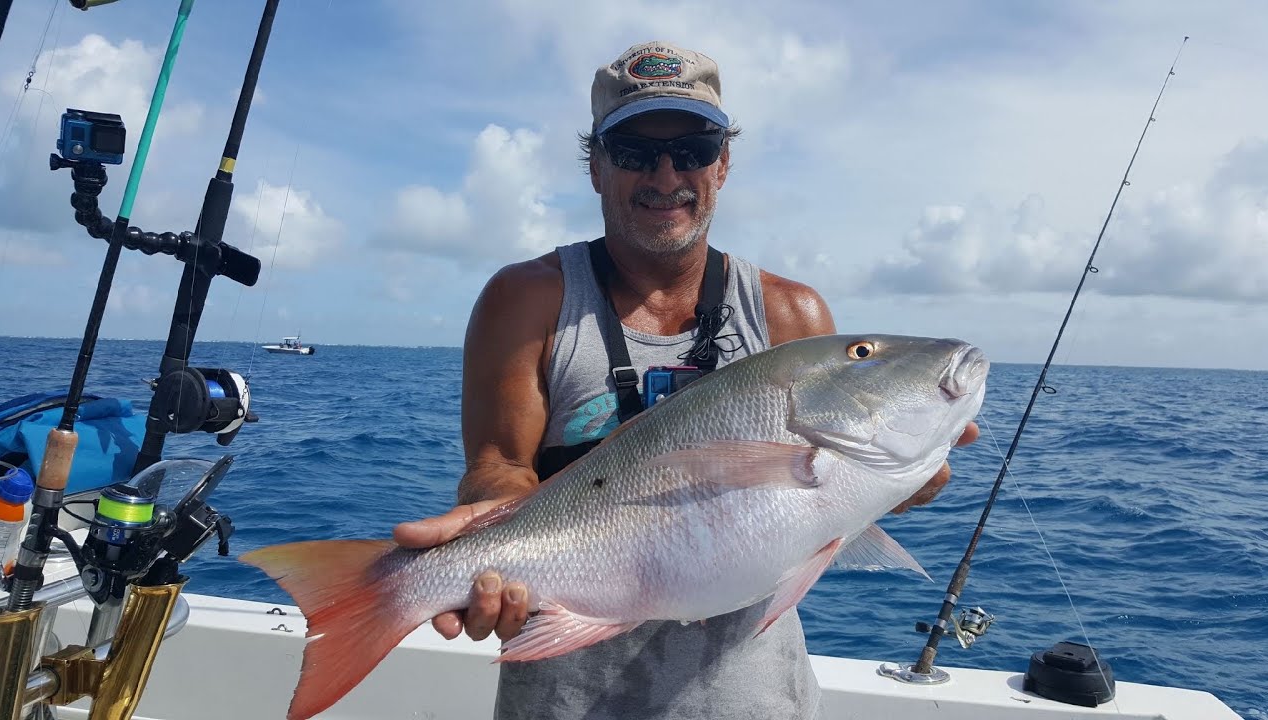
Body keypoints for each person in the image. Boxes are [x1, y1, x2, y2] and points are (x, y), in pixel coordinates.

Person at [394, 40, 979, 719]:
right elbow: (499, 463)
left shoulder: (792, 313)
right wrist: (498, 546)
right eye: (635, 152)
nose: (666, 173)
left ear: (723, 164)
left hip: (751, 698)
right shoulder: (527, 300)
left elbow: (814, 515)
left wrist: (886, 489)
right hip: (563, 698)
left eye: (694, 149)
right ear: (596, 167)